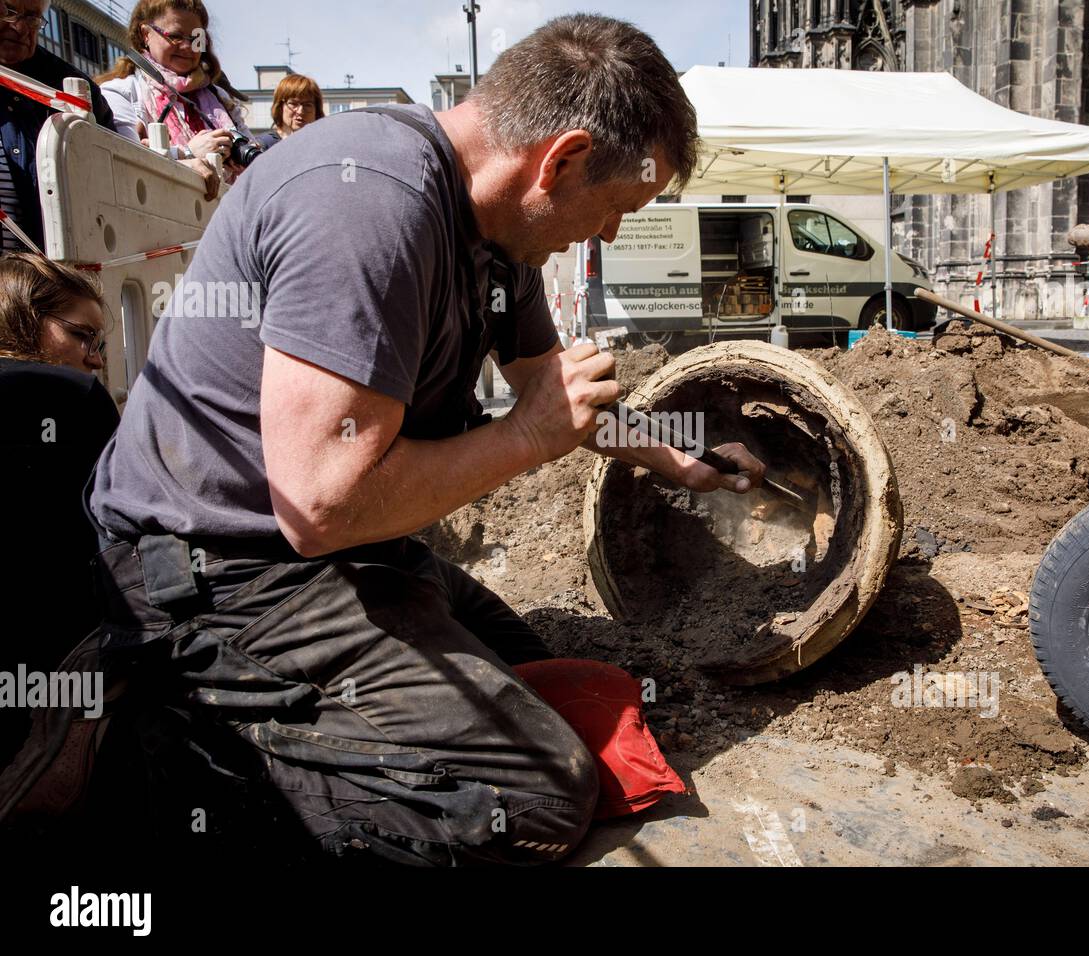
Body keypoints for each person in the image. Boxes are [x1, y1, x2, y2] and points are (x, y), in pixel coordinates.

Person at [7, 14, 763, 866]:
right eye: (617, 208)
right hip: (216, 573)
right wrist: (525, 439)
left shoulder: (499, 233)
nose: (611, 233)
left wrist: (677, 452)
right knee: (535, 797)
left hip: (331, 550)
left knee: (544, 682)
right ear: (562, 160)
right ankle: (164, 761)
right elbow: (322, 504)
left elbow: (552, 395)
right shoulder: (365, 205)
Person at [0, 253, 118, 768]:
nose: (95, 358)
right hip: (56, 661)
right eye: (82, 336)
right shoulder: (72, 395)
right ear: (24, 318)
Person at [0, 0, 118, 251]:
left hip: (43, 275)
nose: (20, 28)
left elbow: (112, 179)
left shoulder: (72, 89)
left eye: (32, 18)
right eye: (7, 11)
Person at [97, 0, 250, 193]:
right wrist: (187, 153)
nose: (188, 47)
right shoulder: (121, 93)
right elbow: (126, 163)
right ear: (146, 34)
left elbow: (256, 161)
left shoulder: (220, 98)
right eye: (176, 37)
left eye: (196, 38)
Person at [255, 73, 322, 150]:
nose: (300, 111)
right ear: (280, 107)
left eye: (307, 105)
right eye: (293, 104)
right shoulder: (264, 146)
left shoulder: (323, 145)